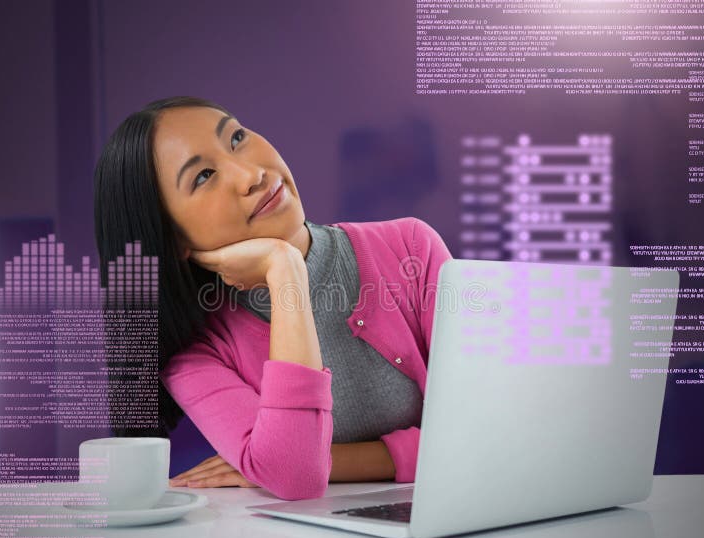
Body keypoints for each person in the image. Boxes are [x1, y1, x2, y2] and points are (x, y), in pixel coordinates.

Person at [94, 96, 452, 500]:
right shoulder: (195, 353)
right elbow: (296, 476)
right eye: (204, 176)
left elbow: (480, 429)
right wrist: (284, 271)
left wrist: (331, 462)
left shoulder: (411, 249)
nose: (251, 175)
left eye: (236, 138)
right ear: (172, 238)